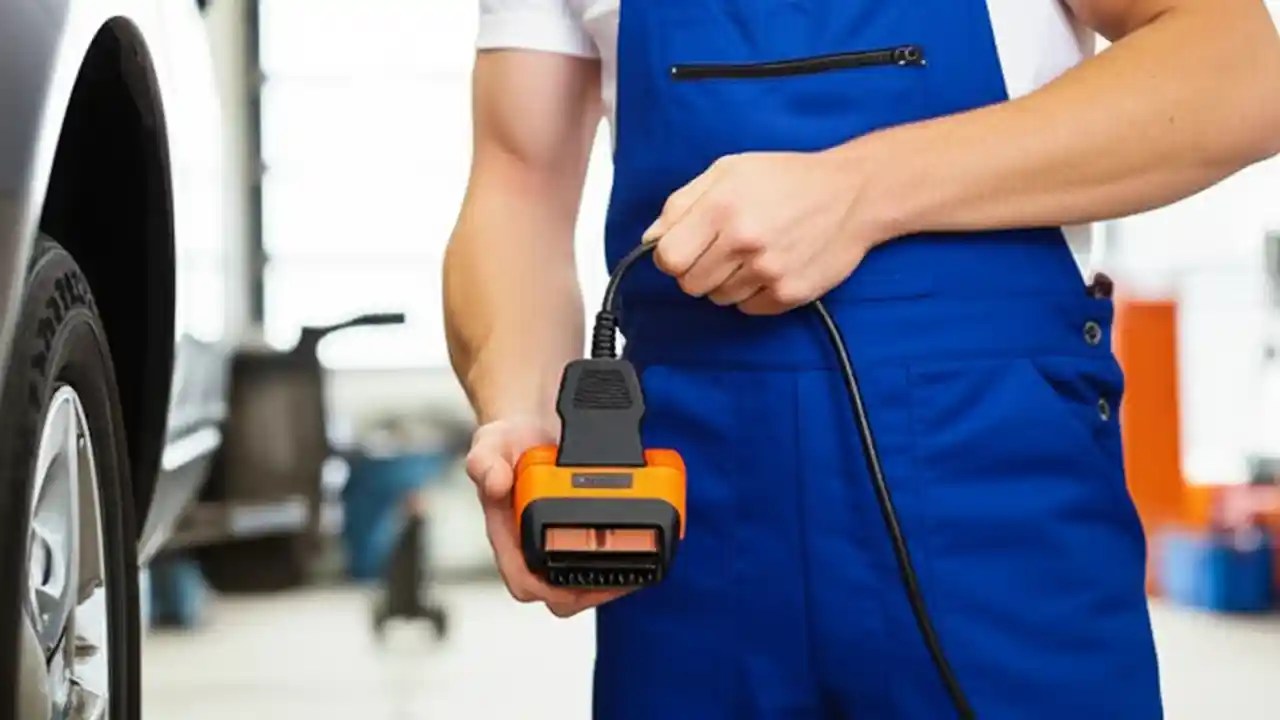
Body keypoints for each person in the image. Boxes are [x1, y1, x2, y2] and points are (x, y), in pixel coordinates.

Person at [443, 0, 1280, 716]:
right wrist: (518, 413)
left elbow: (1236, 68)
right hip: (691, 522)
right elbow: (518, 183)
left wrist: (860, 192)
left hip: (999, 501)